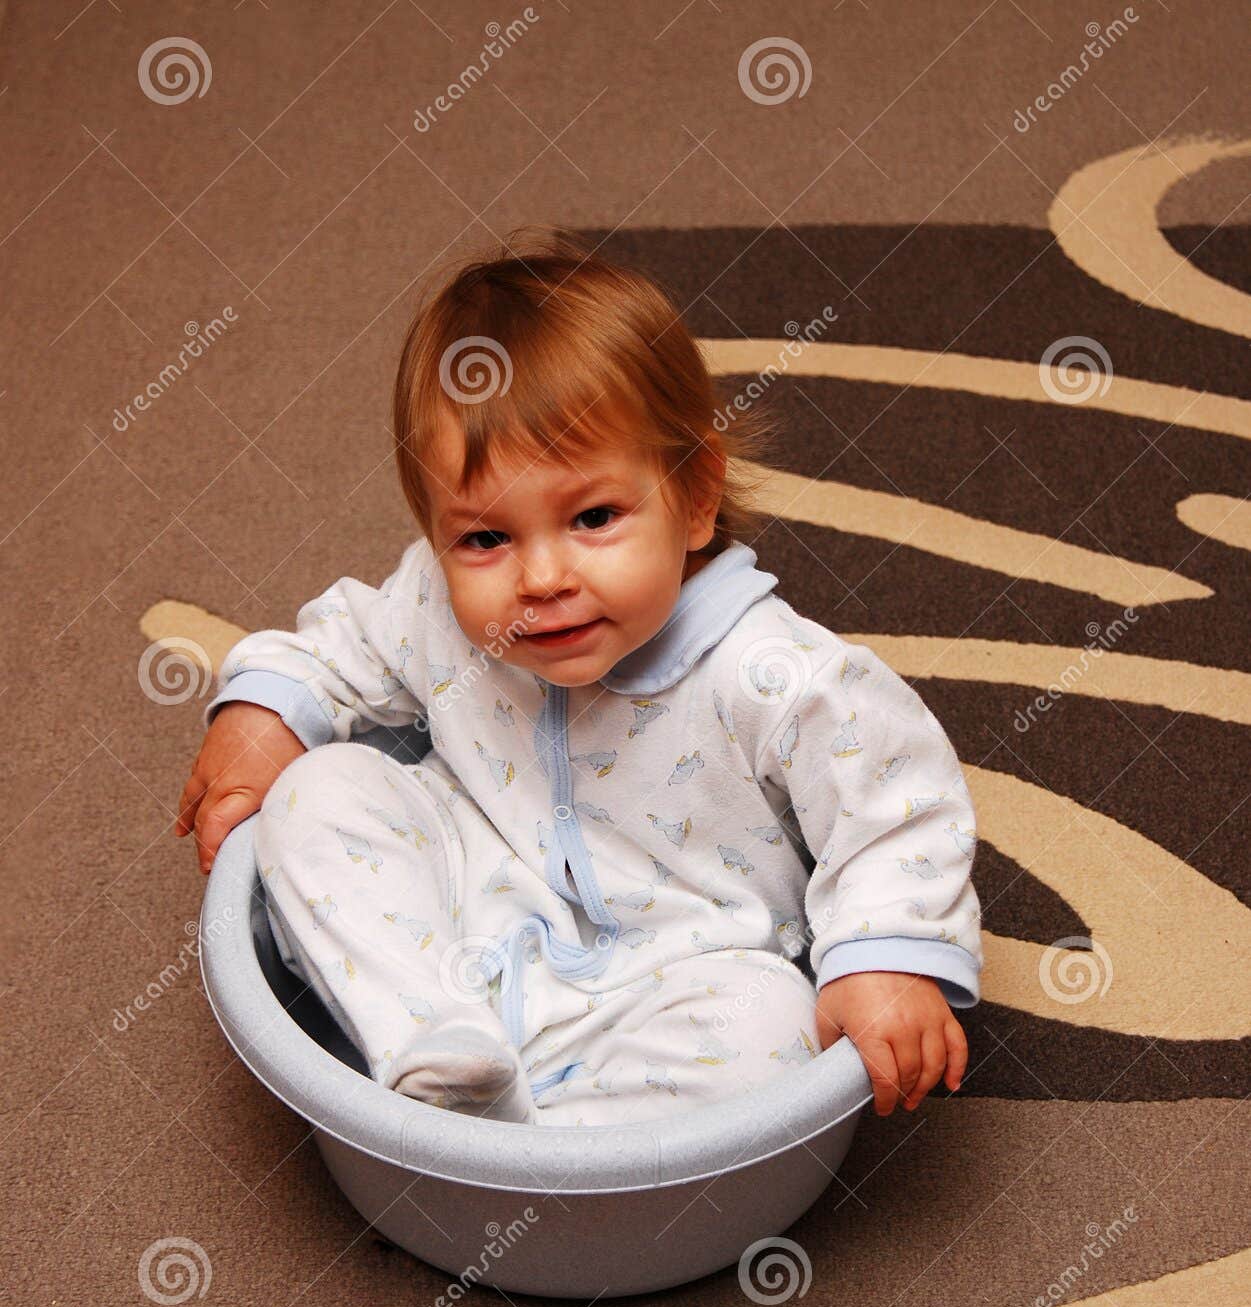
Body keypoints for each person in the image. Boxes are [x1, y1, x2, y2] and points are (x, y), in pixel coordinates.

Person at [175, 227, 982, 1127]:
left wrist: (884, 958)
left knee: (771, 1026)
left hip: (683, 976)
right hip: (460, 931)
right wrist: (261, 717)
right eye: (485, 538)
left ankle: (532, 1149)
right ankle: (428, 1047)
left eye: (593, 517)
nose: (542, 577)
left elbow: (898, 805)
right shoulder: (436, 607)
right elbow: (337, 647)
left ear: (695, 499)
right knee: (319, 788)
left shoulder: (774, 674)